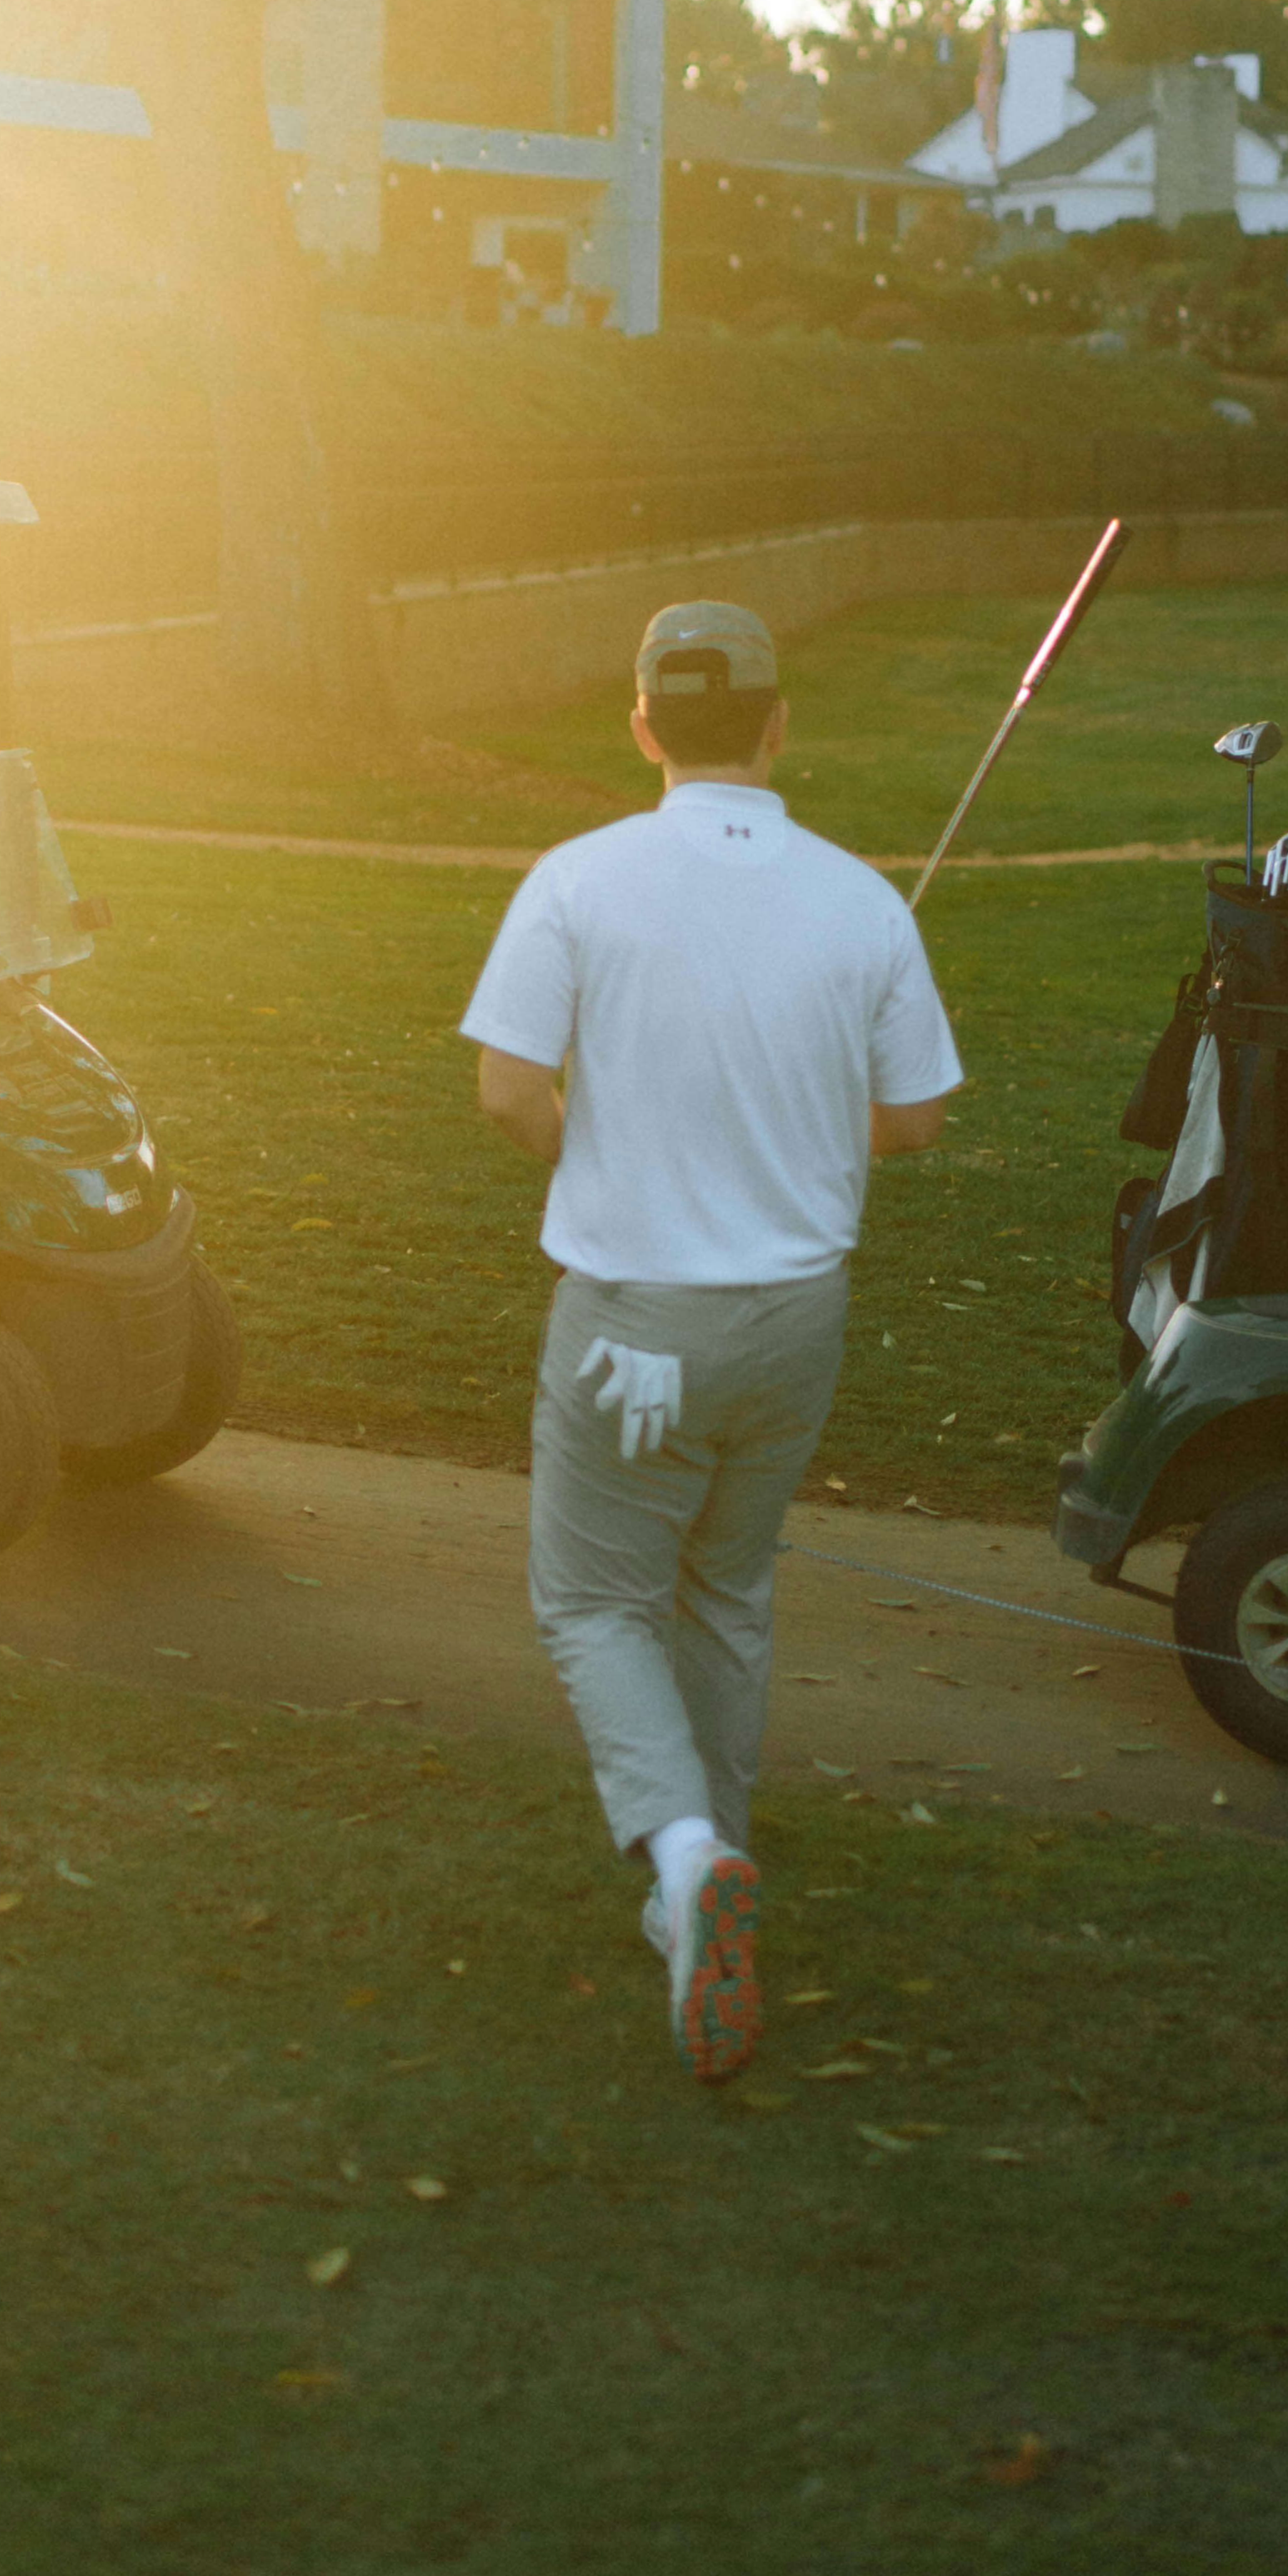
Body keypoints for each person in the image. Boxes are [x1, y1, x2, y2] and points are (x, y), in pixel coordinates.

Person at [459, 599, 961, 2082]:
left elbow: (504, 1091)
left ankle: (683, 1859)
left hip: (635, 1316)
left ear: (640, 726)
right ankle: (712, 1871)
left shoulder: (577, 878)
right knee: (726, 1587)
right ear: (776, 720)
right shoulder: (862, 899)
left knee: (597, 1602)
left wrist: (588, 1157)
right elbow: (915, 1120)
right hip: (794, 1318)